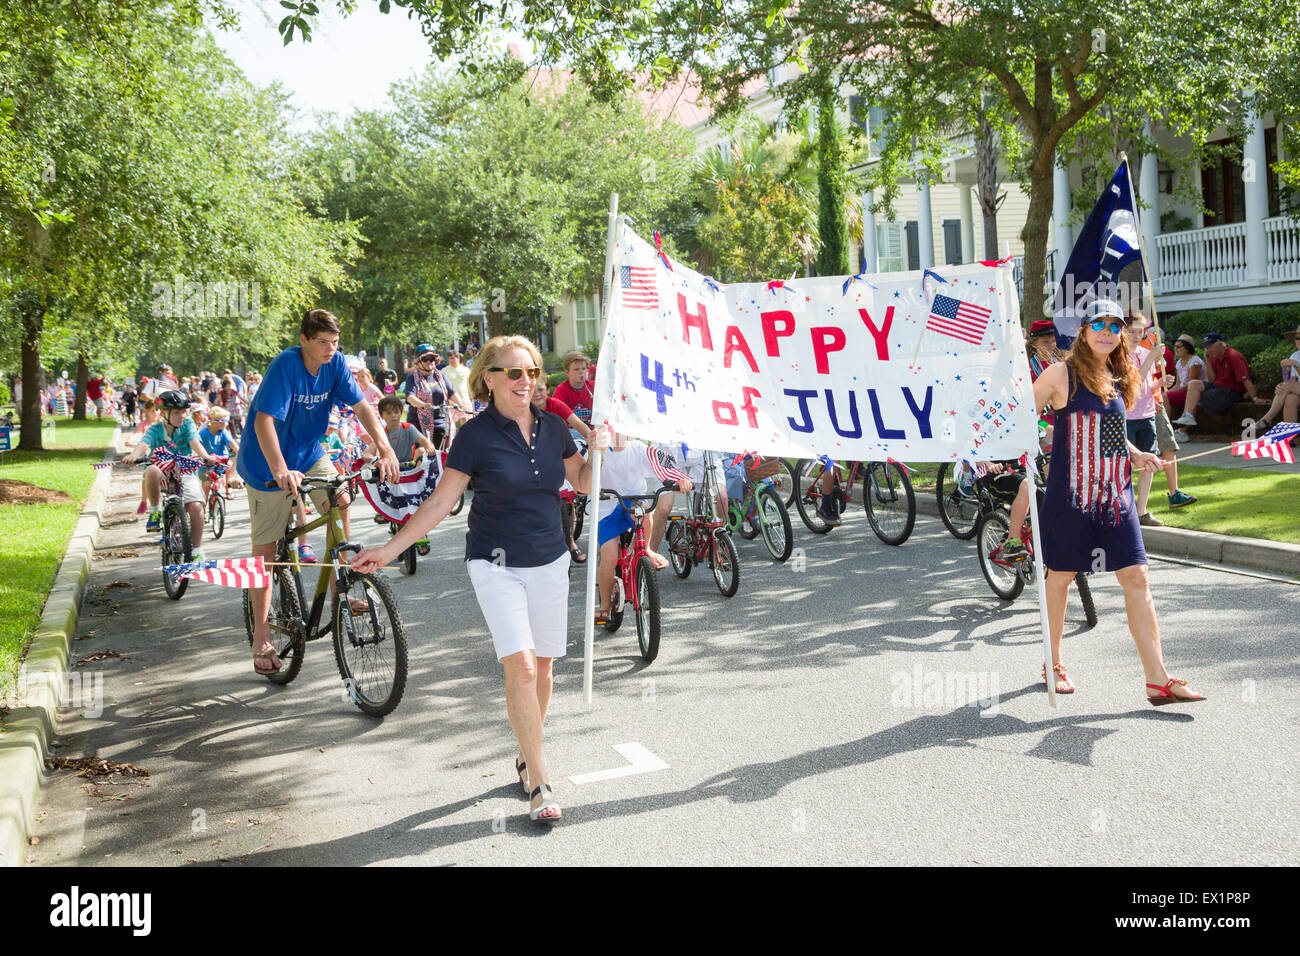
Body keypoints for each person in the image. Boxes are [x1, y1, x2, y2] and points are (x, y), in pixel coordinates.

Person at [350, 335, 611, 825]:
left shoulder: (554, 427)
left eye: (532, 372)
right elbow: (440, 502)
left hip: (550, 560)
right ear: (488, 378)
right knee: (524, 667)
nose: (526, 381)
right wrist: (388, 550)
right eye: (514, 372)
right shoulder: (474, 436)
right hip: (495, 564)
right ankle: (539, 778)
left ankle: (524, 752)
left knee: (547, 668)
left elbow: (581, 480)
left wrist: (598, 450)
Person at [1032, 300, 1205, 704]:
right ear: (1084, 331)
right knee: (1060, 578)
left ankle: (1157, 678)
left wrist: (1135, 454)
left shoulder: (1116, 375)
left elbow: (1109, 433)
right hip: (1071, 496)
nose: (1107, 331)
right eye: (1099, 324)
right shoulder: (1061, 373)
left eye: (1114, 325)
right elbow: (1020, 415)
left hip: (1116, 496)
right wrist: (1030, 440)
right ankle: (1052, 661)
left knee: (1137, 578)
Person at [237, 309, 398, 675]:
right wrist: (279, 469)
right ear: (305, 340)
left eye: (334, 343)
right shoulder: (286, 365)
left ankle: (342, 582)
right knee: (266, 552)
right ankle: (261, 634)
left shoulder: (336, 365)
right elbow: (264, 422)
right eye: (322, 342)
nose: (329, 349)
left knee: (340, 497)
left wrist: (385, 447)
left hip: (309, 454)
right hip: (267, 462)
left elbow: (363, 408)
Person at [591, 433, 691, 626]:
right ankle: (604, 606)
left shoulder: (639, 448)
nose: (620, 433)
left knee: (645, 513)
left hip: (633, 498)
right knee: (610, 556)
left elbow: (663, 466)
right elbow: (585, 475)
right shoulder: (600, 450)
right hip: (607, 505)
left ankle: (646, 549)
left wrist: (679, 481)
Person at [121, 389, 217, 559]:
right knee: (151, 470)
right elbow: (144, 444)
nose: (181, 416)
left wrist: (206, 457)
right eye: (176, 413)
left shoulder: (187, 425)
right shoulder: (155, 429)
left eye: (183, 412)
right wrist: (134, 455)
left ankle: (196, 550)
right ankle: (155, 510)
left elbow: (194, 442)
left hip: (184, 471)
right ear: (164, 413)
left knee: (196, 508)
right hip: (162, 472)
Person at [1172, 332, 1257, 431]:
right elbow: (1212, 380)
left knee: (1199, 396)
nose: (1208, 350)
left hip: (1232, 392)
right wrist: (1207, 360)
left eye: (1210, 346)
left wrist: (1255, 398)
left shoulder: (1233, 356)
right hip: (1218, 388)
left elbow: (1245, 379)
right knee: (1193, 384)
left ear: (1220, 344)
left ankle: (1182, 430)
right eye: (1206, 347)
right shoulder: (1214, 358)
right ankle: (1188, 416)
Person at [404, 344, 466, 449]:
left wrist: (461, 405)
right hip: (418, 423)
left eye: (431, 359)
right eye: (425, 359)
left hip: (440, 422)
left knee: (442, 453)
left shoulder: (440, 376)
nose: (429, 362)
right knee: (422, 454)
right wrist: (422, 404)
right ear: (418, 362)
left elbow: (452, 393)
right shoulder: (412, 378)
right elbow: (410, 397)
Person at [1250, 324, 1300, 437]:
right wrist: (1282, 386)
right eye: (1297, 338)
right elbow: (1291, 381)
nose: (1298, 340)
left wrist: (1296, 365)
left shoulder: (1295, 360)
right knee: (1290, 398)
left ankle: (1267, 419)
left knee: (1288, 388)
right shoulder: (1295, 355)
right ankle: (1288, 437)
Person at [552, 351, 595, 427]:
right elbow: (557, 417)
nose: (581, 372)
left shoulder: (593, 387)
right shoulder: (561, 391)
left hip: (593, 430)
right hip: (572, 431)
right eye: (576, 369)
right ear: (567, 372)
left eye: (584, 368)